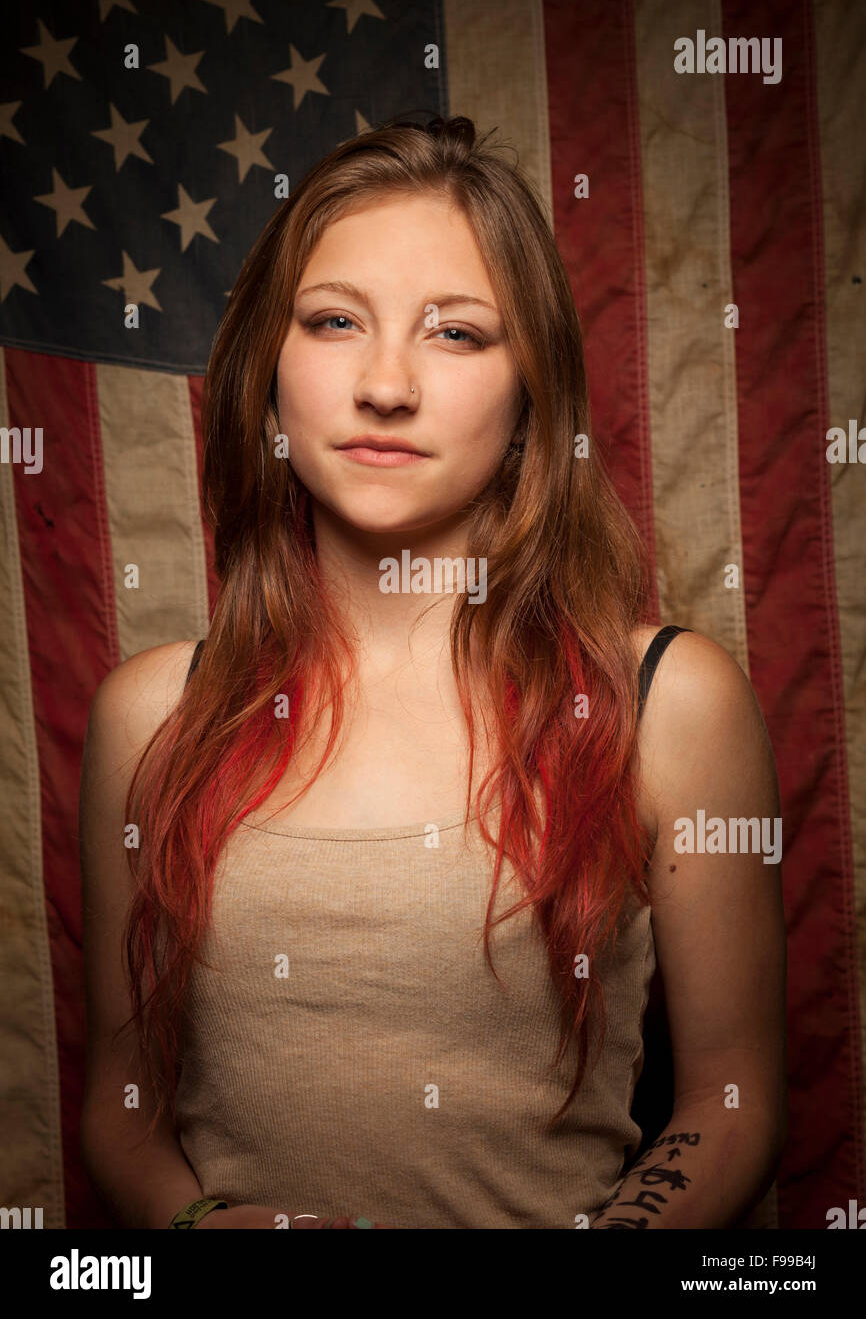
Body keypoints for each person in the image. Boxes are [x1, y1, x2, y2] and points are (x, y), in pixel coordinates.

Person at [79, 115, 786, 1230]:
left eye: (455, 333)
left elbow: (730, 1103)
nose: (386, 383)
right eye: (331, 321)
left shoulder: (669, 701)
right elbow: (122, 1110)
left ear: (527, 399)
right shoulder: (151, 713)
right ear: (267, 369)